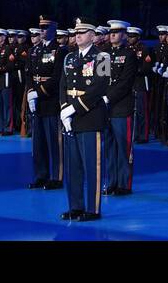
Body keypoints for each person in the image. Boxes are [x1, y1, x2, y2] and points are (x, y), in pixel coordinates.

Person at [58, 20, 111, 221]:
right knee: (74, 168)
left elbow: (100, 87)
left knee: (92, 167)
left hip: (90, 117)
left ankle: (93, 209)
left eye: (82, 32)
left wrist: (75, 107)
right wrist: (64, 110)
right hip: (70, 119)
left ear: (92, 35)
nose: (77, 35)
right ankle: (76, 207)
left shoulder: (102, 57)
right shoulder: (69, 58)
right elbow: (63, 86)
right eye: (76, 32)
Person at [27, 19, 65, 190]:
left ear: (53, 29)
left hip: (50, 100)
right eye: (40, 27)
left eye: (45, 27)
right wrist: (29, 93)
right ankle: (41, 176)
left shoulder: (59, 51)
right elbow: (29, 74)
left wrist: (39, 92)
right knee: (38, 143)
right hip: (36, 101)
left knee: (54, 143)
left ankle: (56, 177)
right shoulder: (34, 51)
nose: (41, 30)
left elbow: (57, 78)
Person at [102, 20, 139, 196]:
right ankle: (111, 182)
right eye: (111, 32)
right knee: (109, 147)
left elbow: (125, 83)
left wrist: (108, 97)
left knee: (124, 148)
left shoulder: (130, 55)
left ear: (124, 35)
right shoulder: (104, 54)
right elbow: (102, 80)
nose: (113, 35)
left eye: (117, 32)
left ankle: (124, 184)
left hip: (121, 106)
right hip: (106, 107)